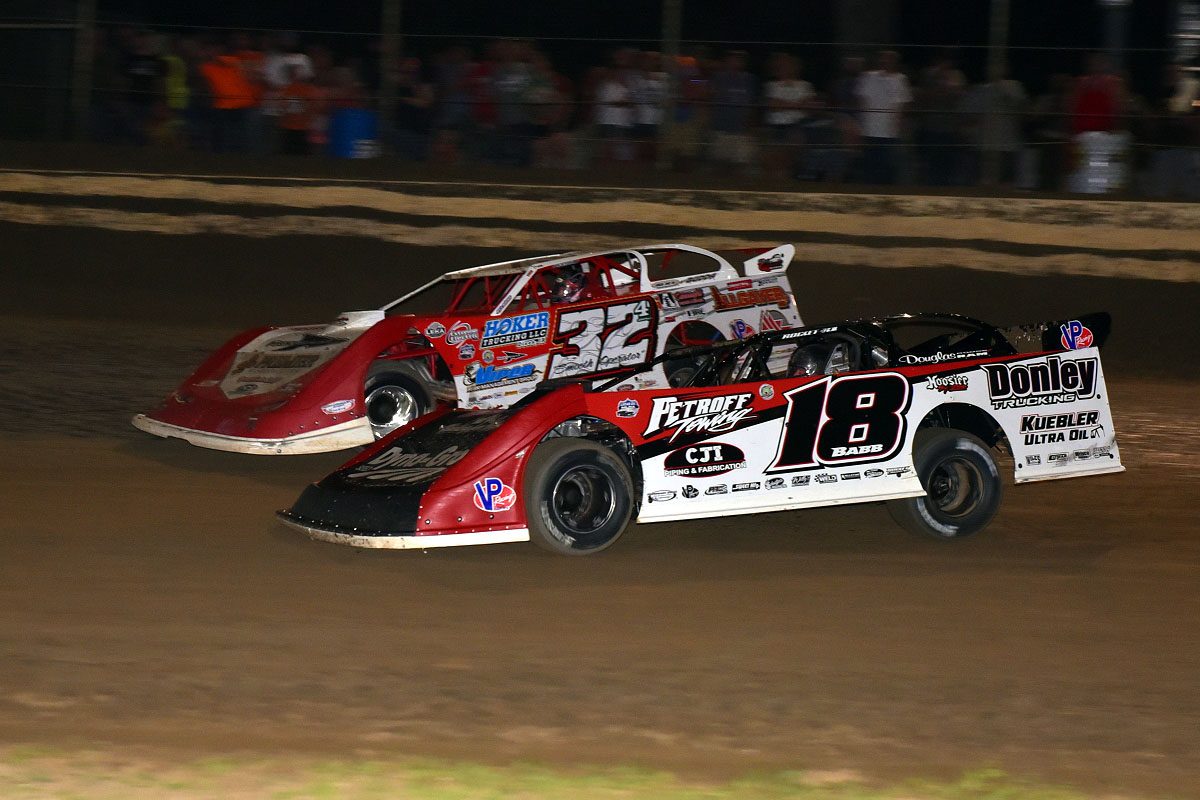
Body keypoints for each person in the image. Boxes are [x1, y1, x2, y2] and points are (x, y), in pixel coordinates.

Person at [855, 50, 911, 184]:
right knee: (869, 166)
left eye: (890, 59)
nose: (886, 61)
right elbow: (861, 101)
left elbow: (902, 106)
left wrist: (898, 127)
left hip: (890, 132)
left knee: (888, 168)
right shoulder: (868, 77)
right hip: (869, 130)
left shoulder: (901, 79)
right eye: (884, 58)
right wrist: (860, 125)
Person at [762, 53, 813, 178]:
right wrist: (797, 104)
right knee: (773, 161)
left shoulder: (805, 86)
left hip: (798, 127)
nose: (785, 67)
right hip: (775, 128)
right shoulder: (771, 85)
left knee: (790, 158)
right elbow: (773, 106)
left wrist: (783, 104)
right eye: (781, 65)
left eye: (788, 64)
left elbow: (808, 108)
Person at [708, 50, 756, 171]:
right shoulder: (718, 77)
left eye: (738, 59)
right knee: (719, 164)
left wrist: (749, 126)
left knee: (740, 163)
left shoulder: (749, 79)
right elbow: (709, 94)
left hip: (740, 129)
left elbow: (751, 103)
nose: (734, 62)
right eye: (732, 59)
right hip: (720, 127)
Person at [277, 64, 320, 155]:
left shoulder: (309, 90)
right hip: (288, 128)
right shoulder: (286, 89)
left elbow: (313, 106)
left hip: (303, 129)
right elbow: (281, 108)